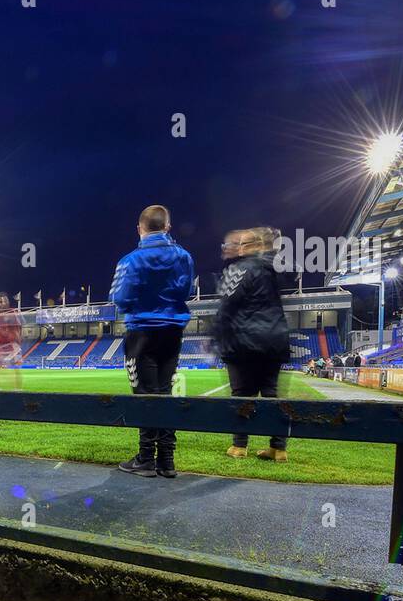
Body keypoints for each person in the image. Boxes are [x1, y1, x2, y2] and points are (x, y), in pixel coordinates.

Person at [110, 204, 195, 478]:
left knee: (145, 396)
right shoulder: (184, 256)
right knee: (164, 393)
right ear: (167, 227)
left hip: (142, 333)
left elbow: (120, 298)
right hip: (172, 333)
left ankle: (146, 458)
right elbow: (187, 290)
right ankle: (167, 460)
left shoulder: (130, 260)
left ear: (140, 228)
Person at [214, 228, 291, 462]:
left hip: (244, 341)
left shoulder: (238, 269)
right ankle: (279, 448)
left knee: (241, 394)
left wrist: (216, 336)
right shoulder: (277, 268)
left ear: (246, 246)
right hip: (274, 339)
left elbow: (226, 306)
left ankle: (239, 446)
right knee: (271, 394)